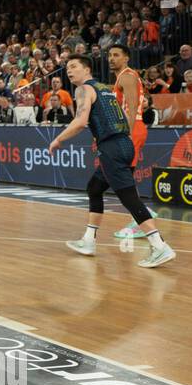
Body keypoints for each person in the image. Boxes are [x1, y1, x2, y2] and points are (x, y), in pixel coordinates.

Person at [49, 56, 175, 269]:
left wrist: (58, 139)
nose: (69, 71)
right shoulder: (104, 88)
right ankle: (88, 240)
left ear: (87, 69)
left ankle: (159, 245)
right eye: (67, 67)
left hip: (111, 147)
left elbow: (80, 122)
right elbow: (124, 114)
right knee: (95, 188)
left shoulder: (83, 90)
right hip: (124, 143)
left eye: (74, 67)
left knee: (128, 197)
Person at [107, 44, 157, 241]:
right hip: (131, 128)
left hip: (132, 129)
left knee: (123, 180)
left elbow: (133, 105)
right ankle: (142, 215)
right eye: (109, 55)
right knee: (124, 179)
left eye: (116, 55)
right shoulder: (124, 76)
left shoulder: (127, 75)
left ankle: (141, 219)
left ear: (126, 57)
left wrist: (124, 134)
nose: (111, 58)